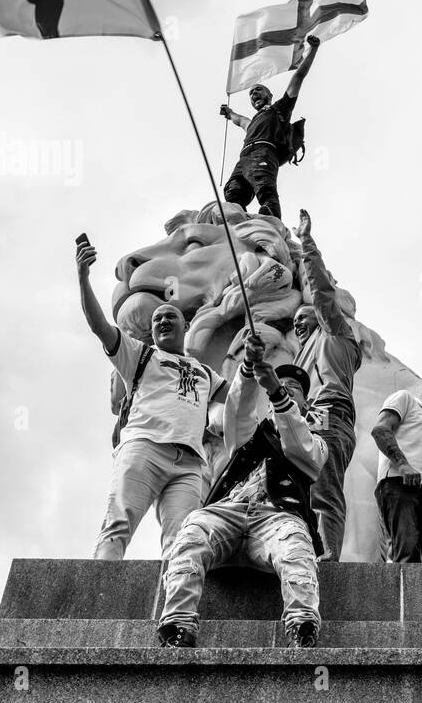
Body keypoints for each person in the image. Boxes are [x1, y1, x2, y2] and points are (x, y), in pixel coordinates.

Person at [157, 334, 326, 649]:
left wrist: (277, 391)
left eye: (295, 389)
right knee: (193, 531)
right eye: (282, 384)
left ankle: (302, 627)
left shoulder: (316, 443)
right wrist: (248, 367)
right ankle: (177, 625)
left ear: (306, 403)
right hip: (227, 513)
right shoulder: (251, 434)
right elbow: (238, 411)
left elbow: (298, 445)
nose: (287, 388)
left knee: (295, 547)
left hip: (276, 519)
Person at [76, 235, 226, 560]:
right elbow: (99, 325)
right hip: (144, 447)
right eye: (156, 318)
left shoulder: (204, 372)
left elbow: (238, 396)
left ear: (185, 328)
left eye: (169, 316)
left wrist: (257, 367)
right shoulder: (139, 354)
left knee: (182, 543)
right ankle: (100, 598)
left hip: (189, 464)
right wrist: (83, 277)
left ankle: (173, 610)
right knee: (118, 524)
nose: (161, 320)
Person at [292, 209, 362, 560]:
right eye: (294, 323)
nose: (298, 324)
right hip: (305, 422)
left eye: (304, 318)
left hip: (330, 417)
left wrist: (306, 242)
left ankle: (329, 560)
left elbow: (321, 293)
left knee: (323, 490)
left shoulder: (336, 334)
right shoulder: (303, 355)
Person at [219, 34, 320, 218]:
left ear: (269, 94)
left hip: (265, 152)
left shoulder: (279, 110)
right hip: (244, 158)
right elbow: (240, 120)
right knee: (233, 194)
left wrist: (312, 50)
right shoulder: (252, 124)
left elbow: (298, 77)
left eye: (258, 89)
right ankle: (233, 226)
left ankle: (271, 221)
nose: (253, 93)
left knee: (265, 188)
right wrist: (229, 113)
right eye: (251, 93)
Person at [371, 376, 422, 562]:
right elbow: (380, 430)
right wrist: (403, 465)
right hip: (399, 484)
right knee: (407, 554)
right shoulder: (406, 399)